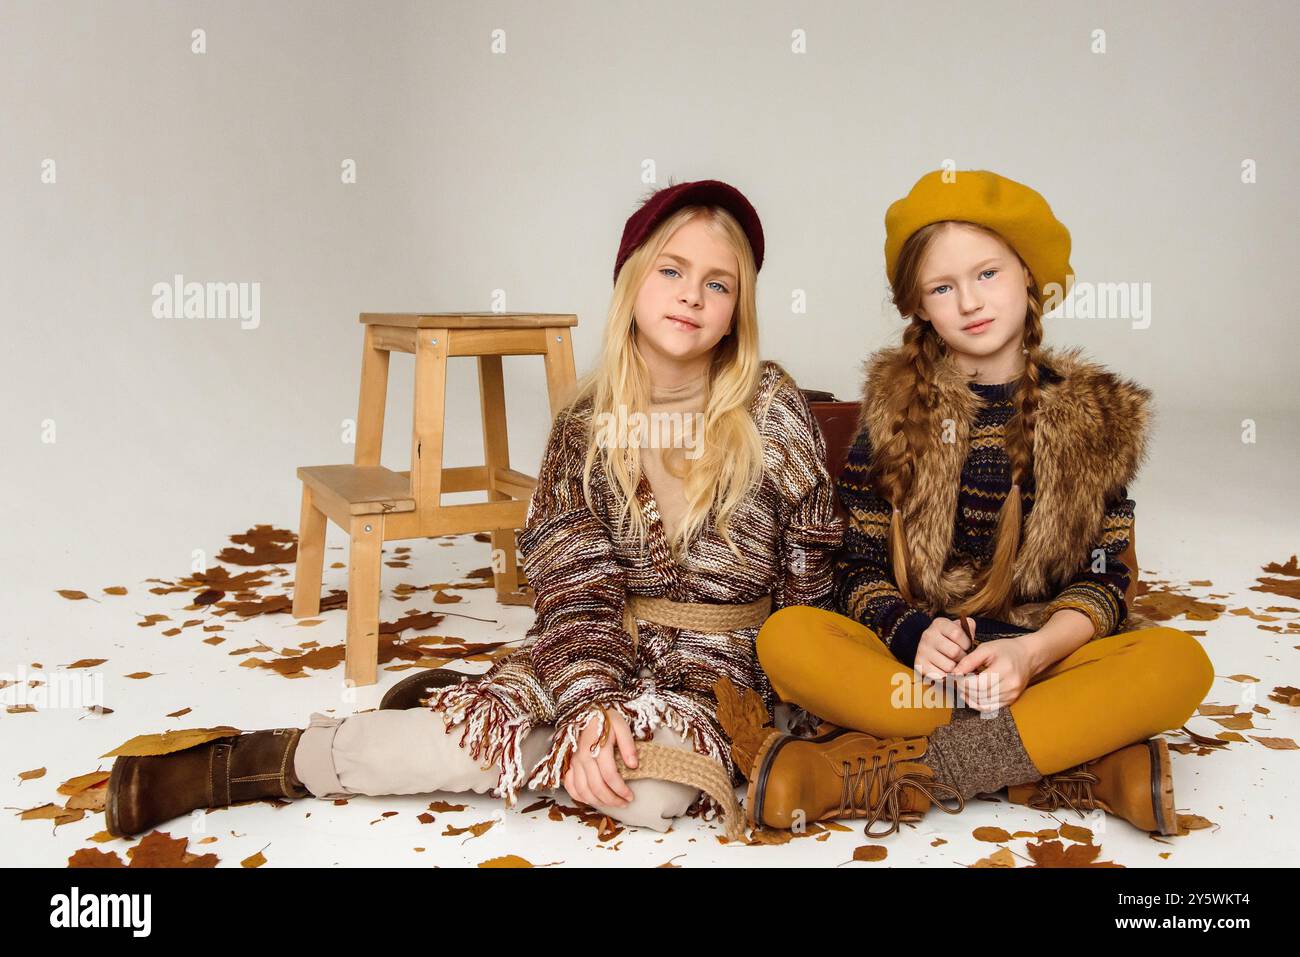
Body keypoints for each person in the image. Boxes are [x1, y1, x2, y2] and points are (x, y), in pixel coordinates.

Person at [105, 179, 845, 839]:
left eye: (718, 284)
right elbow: (575, 587)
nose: (692, 295)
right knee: (579, 750)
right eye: (673, 270)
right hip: (599, 645)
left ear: (736, 311)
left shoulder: (772, 413)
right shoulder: (586, 425)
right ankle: (273, 760)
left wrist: (805, 710)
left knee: (649, 792)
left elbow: (812, 581)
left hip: (721, 676)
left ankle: (462, 733)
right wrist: (590, 706)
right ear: (632, 281)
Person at [745, 169, 1214, 838]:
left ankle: (879, 774)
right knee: (785, 638)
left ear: (1028, 275)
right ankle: (1060, 760)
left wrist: (1032, 655)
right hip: (924, 672)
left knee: (1179, 664)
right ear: (921, 306)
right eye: (943, 287)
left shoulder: (1093, 417)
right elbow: (857, 570)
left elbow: (1106, 581)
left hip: (1043, 665)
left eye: (987, 273)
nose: (970, 301)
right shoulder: (895, 411)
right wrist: (912, 632)